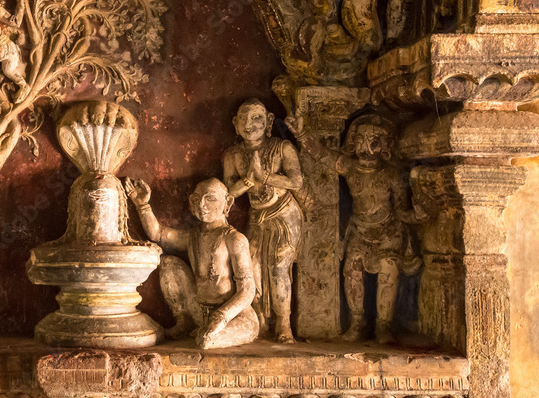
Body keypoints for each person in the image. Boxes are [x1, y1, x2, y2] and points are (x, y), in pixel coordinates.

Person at [287, 113, 421, 343]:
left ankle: (383, 326)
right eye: (360, 140)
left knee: (389, 270)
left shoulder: (390, 173)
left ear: (384, 146)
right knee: (352, 270)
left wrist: (417, 215)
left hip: (389, 232)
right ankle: (358, 322)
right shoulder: (350, 168)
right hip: (360, 230)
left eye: (373, 142)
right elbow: (321, 154)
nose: (365, 147)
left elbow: (400, 209)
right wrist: (300, 133)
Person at [126, 177, 259, 349]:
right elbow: (157, 233)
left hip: (234, 316)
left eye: (210, 198)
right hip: (199, 311)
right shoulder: (193, 236)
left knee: (206, 341)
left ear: (228, 203)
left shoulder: (235, 239)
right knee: (168, 264)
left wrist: (221, 316)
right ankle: (185, 321)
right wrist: (142, 204)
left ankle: (208, 330)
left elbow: (248, 290)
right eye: (197, 199)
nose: (202, 205)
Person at [223, 99, 306, 343]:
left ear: (269, 121)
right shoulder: (233, 155)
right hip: (257, 217)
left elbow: (296, 182)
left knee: (279, 268)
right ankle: (258, 318)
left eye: (257, 118)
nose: (250, 124)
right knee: (250, 267)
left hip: (284, 215)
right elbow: (229, 191)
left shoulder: (282, 148)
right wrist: (249, 180)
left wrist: (265, 177)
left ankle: (283, 324)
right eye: (244, 119)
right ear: (235, 125)